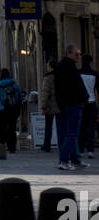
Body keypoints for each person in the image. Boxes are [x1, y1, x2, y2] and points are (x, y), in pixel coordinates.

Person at [55, 43, 89, 172]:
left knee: (69, 134)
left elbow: (57, 88)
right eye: (76, 54)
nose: (78, 56)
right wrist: (84, 98)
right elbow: (77, 86)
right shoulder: (70, 67)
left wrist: (59, 103)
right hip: (73, 104)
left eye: (79, 54)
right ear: (69, 53)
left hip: (64, 104)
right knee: (72, 134)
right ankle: (63, 160)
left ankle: (76, 160)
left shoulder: (60, 66)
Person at [0, 68, 23, 154]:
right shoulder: (14, 84)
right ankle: (12, 146)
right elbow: (19, 97)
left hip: (2, 110)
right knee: (12, 128)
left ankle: (1, 145)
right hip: (13, 109)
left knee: (1, 128)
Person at [40, 59, 60, 154]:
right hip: (60, 105)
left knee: (48, 126)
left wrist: (43, 106)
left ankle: (47, 145)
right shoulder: (60, 76)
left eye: (48, 65)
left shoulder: (48, 78)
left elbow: (45, 93)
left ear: (50, 67)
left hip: (50, 106)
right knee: (60, 127)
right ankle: (62, 144)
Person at [80, 54, 97, 159]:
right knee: (91, 127)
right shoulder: (95, 74)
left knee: (81, 128)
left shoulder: (78, 73)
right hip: (92, 102)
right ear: (91, 62)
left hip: (81, 103)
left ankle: (81, 149)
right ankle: (90, 150)